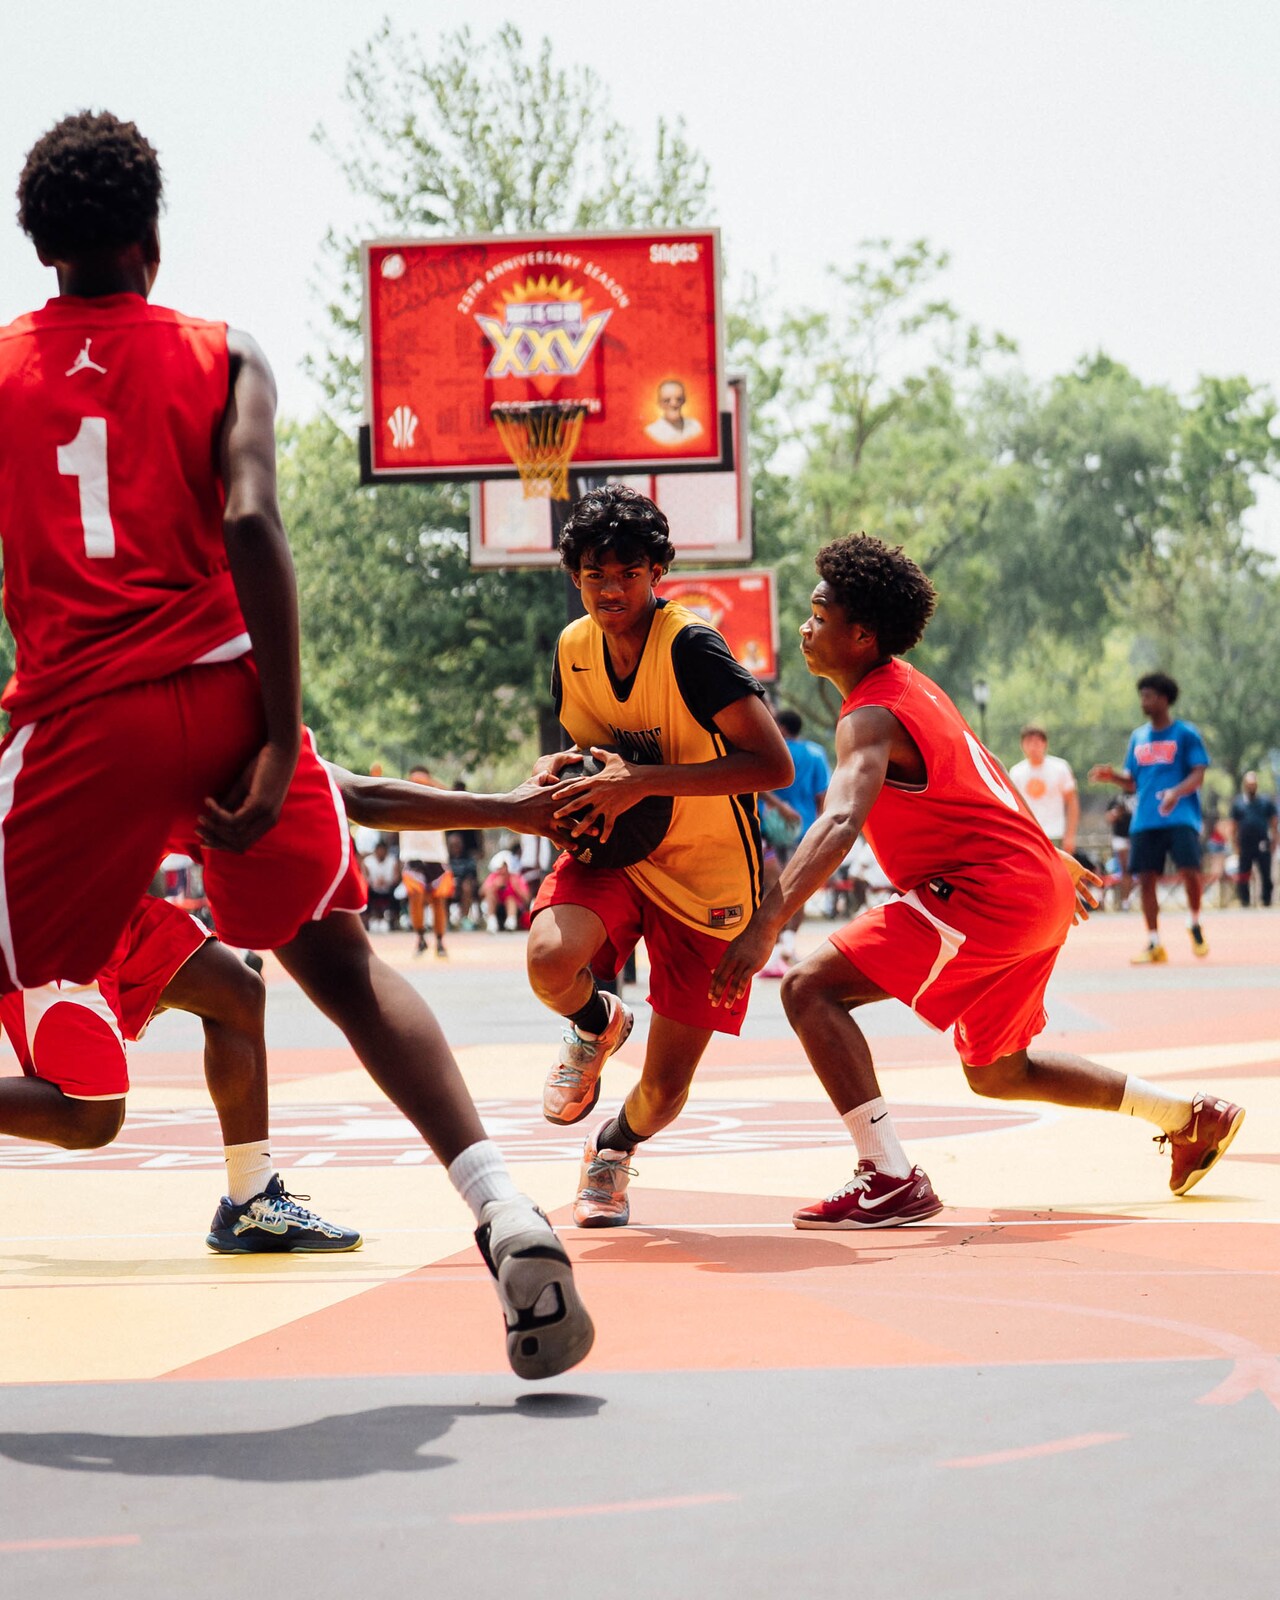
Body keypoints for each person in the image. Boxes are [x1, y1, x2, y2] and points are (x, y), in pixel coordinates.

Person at [0, 111, 593, 1379]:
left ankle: (254, 1183)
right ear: (153, 243)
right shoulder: (227, 353)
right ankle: (504, 1208)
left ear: (39, 248)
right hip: (223, 689)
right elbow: (255, 524)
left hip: (75, 725)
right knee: (337, 957)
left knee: (62, 1053)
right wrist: (274, 738)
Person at [710, 534, 1244, 1226]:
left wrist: (767, 923)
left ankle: (889, 1175)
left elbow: (841, 820)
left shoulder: (871, 713)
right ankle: (1187, 1117)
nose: (805, 627)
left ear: (862, 634)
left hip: (985, 893)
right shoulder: (912, 686)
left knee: (811, 988)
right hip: (1029, 888)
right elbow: (985, 771)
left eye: (818, 613)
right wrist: (1050, 858)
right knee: (997, 1070)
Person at [532, 485, 792, 1227]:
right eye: (594, 575)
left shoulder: (693, 648)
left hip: (710, 872)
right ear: (573, 575)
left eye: (628, 573)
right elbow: (592, 750)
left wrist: (641, 779)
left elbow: (771, 764)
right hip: (622, 848)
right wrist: (562, 768)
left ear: (658, 573)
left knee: (666, 1087)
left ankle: (614, 1147)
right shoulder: (572, 648)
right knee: (551, 957)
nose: (611, 589)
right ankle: (594, 1022)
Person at [0, 892, 359, 1252]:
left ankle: (250, 1201)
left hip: (107, 895)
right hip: (50, 902)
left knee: (235, 991)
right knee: (90, 1118)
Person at [1088, 673, 1211, 964]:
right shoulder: (1138, 737)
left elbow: (1198, 774)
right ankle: (1154, 942)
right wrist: (1113, 777)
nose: (1144, 701)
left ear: (1164, 699)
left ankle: (1194, 922)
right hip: (1145, 819)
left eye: (1149, 696)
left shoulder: (1185, 734)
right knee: (1146, 878)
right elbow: (1133, 782)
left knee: (1191, 871)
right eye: (1142, 695)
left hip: (1179, 815)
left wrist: (1175, 792)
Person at [759, 708, 831, 975]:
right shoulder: (815, 753)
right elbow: (822, 795)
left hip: (768, 828)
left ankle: (774, 948)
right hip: (805, 831)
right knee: (799, 887)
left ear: (783, 728)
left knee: (772, 888)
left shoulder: (770, 749)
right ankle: (787, 945)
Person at [399, 766, 452, 957]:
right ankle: (420, 937)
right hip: (413, 856)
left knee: (439, 901)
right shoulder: (402, 800)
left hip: (436, 857)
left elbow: (454, 795)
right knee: (416, 897)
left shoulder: (438, 799)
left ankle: (439, 941)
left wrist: (429, 784)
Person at [1008, 724, 1079, 855]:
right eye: (1028, 742)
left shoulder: (1060, 768)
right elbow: (1014, 806)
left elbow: (1072, 802)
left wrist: (1070, 835)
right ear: (1022, 745)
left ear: (1044, 743)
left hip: (1056, 832)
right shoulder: (1016, 772)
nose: (1033, 746)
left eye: (1037, 742)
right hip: (1029, 834)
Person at [1229, 771, 1277, 908]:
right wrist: (1234, 843)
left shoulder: (1266, 802)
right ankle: (1245, 901)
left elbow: (1274, 822)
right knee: (1243, 873)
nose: (1251, 787)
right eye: (1249, 785)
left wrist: (1275, 840)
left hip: (1263, 843)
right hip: (1245, 844)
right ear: (1245, 785)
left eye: (1253, 784)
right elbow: (1233, 825)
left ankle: (1266, 900)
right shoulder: (1238, 804)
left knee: (1266, 873)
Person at [643, 379, 704, 445]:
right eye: (667, 400)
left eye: (679, 399)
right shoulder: (651, 431)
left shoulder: (695, 426)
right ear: (659, 403)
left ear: (684, 400)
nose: (673, 404)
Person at [482, 852, 532, 932]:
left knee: (510, 899)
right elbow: (481, 893)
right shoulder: (493, 877)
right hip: (498, 909)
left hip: (515, 911)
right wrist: (494, 886)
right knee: (490, 895)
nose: (501, 870)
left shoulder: (516, 878)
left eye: (503, 867)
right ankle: (492, 921)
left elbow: (527, 899)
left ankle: (511, 922)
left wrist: (517, 888)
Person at [361, 840, 401, 930]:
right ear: (375, 850)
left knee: (396, 895)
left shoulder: (392, 861)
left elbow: (397, 877)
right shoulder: (367, 862)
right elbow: (364, 878)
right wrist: (373, 883)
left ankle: (395, 922)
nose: (381, 852)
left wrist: (387, 882)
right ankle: (365, 922)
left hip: (389, 889)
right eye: (379, 850)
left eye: (383, 850)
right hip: (373, 889)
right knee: (365, 895)